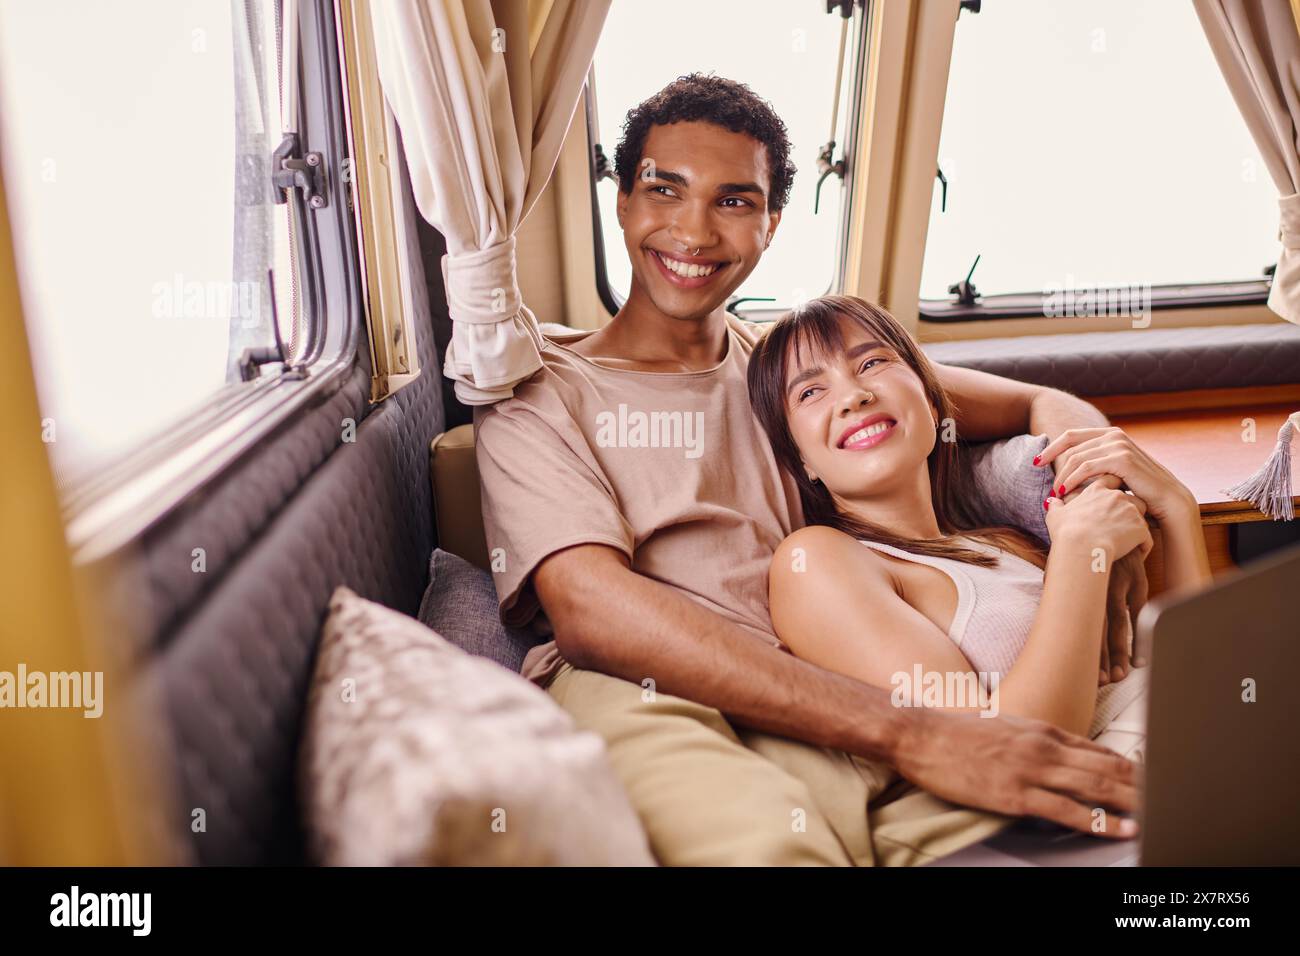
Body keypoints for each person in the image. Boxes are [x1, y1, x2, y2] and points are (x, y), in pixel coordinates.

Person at [474, 73, 1148, 865]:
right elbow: (594, 612)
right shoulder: (540, 394)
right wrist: (913, 731)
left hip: (844, 677)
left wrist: (1099, 496)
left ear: (770, 225)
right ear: (621, 202)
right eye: (665, 190)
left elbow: (1039, 403)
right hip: (650, 691)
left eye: (734, 201)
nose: (693, 232)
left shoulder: (786, 365)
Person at [749, 295, 1212, 757]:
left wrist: (1177, 508)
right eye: (810, 392)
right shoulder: (813, 561)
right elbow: (1003, 753)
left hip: (1208, 728)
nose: (854, 395)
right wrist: (1077, 551)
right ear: (801, 458)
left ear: (932, 405)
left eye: (871, 362)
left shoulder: (1001, 543)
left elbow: (1198, 672)